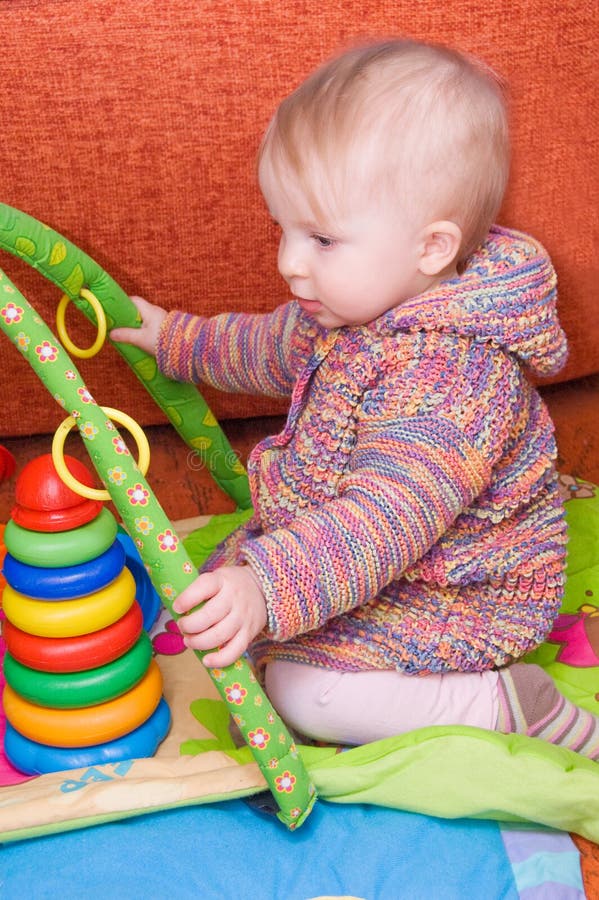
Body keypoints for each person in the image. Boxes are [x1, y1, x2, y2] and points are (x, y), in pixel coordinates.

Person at [111, 38, 599, 757]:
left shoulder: (451, 386)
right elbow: (267, 348)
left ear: (431, 248)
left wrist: (268, 587)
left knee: (308, 694)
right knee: (219, 591)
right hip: (372, 551)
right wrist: (175, 339)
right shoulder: (353, 309)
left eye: (321, 239)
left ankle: (499, 705)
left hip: (457, 587)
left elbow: (382, 523)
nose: (288, 263)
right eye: (284, 229)